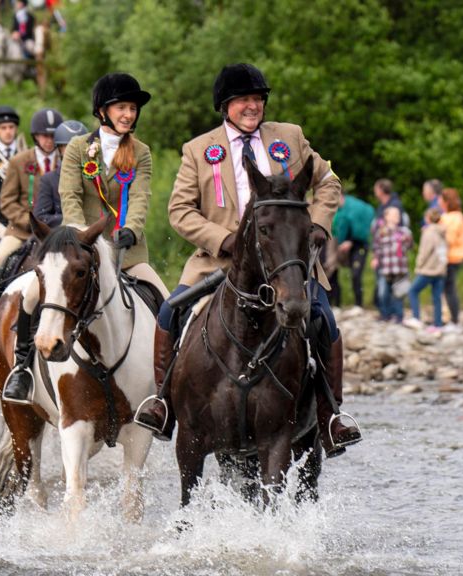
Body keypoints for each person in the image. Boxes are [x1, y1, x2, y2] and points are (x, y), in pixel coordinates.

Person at [134, 64, 358, 458]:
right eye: (243, 100)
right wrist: (225, 240)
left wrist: (319, 224)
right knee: (170, 312)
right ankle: (163, 405)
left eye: (258, 99)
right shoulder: (199, 150)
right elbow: (180, 211)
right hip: (220, 266)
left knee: (324, 320)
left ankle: (331, 417)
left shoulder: (289, 137)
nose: (253, 106)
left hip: (285, 263)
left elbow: (328, 182)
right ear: (225, 106)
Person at [2, 72, 170, 405]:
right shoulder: (79, 148)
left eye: (133, 108)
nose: (128, 114)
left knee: (167, 307)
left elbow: (140, 196)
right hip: (81, 249)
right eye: (122, 107)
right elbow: (70, 196)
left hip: (128, 251)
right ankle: (22, 368)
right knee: (31, 295)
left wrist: (131, 229)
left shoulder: (141, 152)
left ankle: (166, 389)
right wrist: (82, 236)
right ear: (103, 111)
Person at [0, 108, 63, 337]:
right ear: (35, 136)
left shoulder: (66, 161)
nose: (48, 140)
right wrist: (30, 222)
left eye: (53, 136)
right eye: (44, 135)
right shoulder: (19, 161)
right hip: (23, 229)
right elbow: (7, 201)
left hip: (59, 229)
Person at [34, 120, 87, 228]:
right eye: (69, 147)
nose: (75, 151)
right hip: (63, 235)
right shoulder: (49, 179)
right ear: (59, 149)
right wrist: (72, 219)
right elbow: (41, 216)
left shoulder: (95, 175)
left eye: (80, 147)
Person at [404, 208, 447, 332]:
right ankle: (438, 324)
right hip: (440, 269)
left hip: (428, 269)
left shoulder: (429, 232)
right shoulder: (442, 231)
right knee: (436, 297)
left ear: (428, 218)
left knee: (413, 291)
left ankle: (416, 318)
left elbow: (424, 252)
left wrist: (419, 265)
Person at [331, 190, 374, 308]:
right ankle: (354, 304)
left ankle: (359, 304)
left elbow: (360, 228)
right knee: (351, 274)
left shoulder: (354, 206)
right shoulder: (340, 210)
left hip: (360, 244)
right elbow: (340, 227)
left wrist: (350, 241)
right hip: (349, 246)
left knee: (356, 274)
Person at [371, 206, 412, 323]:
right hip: (385, 267)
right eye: (394, 214)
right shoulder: (381, 232)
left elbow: (409, 245)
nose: (397, 217)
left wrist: (406, 238)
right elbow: (377, 247)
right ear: (386, 217)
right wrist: (375, 259)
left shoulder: (404, 231)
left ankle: (399, 316)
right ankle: (385, 314)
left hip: (399, 268)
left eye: (398, 215)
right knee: (383, 292)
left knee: (398, 294)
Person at [0, 104, 24, 227]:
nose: (8, 132)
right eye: (3, 128)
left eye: (11, 127)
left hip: (23, 215)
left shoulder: (25, 152)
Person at [438, 188, 463, 331]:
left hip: (452, 257)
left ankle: (454, 320)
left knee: (449, 289)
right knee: (445, 289)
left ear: (446, 201)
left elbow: (449, 238)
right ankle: (447, 317)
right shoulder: (447, 216)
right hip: (447, 257)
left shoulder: (455, 217)